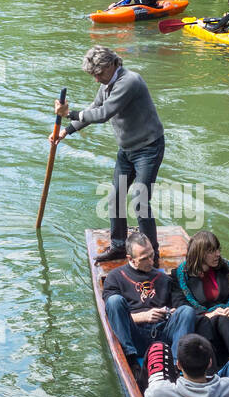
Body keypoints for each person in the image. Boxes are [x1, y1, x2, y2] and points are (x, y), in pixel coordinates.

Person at [53, 46, 166, 263]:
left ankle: (153, 255)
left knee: (140, 200)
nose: (96, 80)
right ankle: (118, 246)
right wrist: (66, 130)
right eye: (93, 75)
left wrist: (69, 113)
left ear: (112, 64)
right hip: (127, 150)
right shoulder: (107, 85)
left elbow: (104, 113)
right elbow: (93, 109)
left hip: (148, 148)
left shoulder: (130, 81)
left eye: (99, 74)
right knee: (115, 197)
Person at [102, 231, 196, 368]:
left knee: (186, 311)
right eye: (144, 259)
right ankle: (130, 359)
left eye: (152, 255)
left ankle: (178, 364)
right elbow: (113, 314)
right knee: (114, 301)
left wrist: (170, 312)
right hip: (134, 334)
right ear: (131, 258)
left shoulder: (164, 279)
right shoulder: (115, 277)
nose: (151, 261)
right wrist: (144, 316)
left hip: (162, 332)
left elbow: (176, 309)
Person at [170, 230, 229, 366]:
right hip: (200, 325)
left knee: (222, 318)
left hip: (228, 324)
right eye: (212, 251)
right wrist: (209, 314)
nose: (218, 254)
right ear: (199, 255)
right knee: (219, 318)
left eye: (218, 249)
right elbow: (181, 306)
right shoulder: (179, 276)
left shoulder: (228, 270)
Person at [144, 334, 229, 397]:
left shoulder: (157, 393)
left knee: (158, 346)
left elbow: (153, 388)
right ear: (210, 363)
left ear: (179, 365)